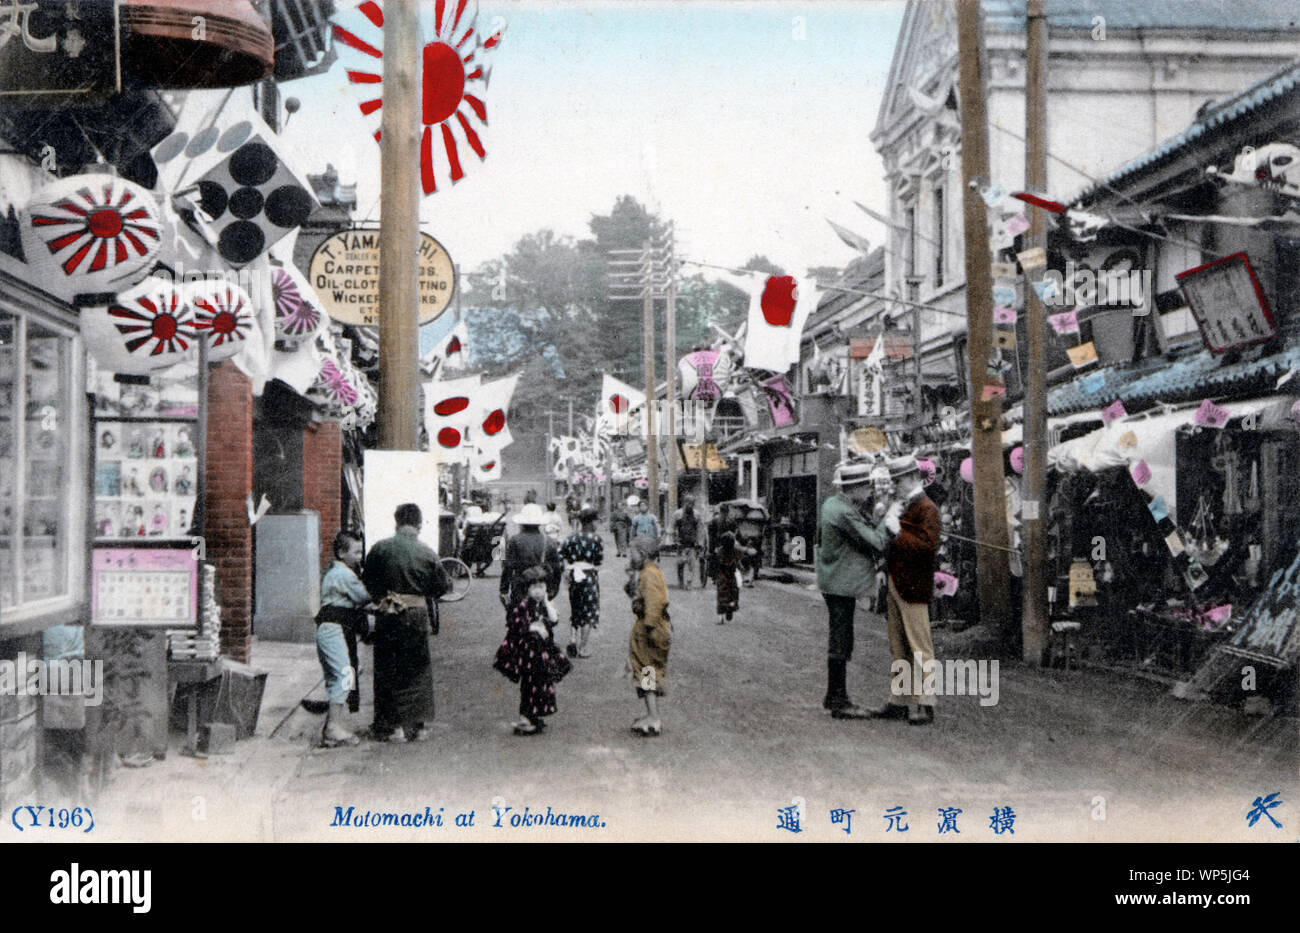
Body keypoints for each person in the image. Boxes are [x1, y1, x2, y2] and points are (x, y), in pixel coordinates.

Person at [362, 504, 450, 743]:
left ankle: (393, 727)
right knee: (418, 669)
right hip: (417, 614)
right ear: (419, 525)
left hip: (389, 612)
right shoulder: (428, 552)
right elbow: (441, 587)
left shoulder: (380, 548)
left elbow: (368, 580)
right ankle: (419, 726)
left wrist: (384, 597)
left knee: (388, 667)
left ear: (397, 522)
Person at [816, 460, 893, 719]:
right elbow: (877, 541)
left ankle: (834, 696)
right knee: (841, 639)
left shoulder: (833, 504)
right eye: (866, 486)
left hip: (833, 580)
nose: (871, 491)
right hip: (841, 583)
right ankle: (838, 699)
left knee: (841, 636)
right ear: (854, 488)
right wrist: (887, 519)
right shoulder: (845, 512)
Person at [874, 455, 942, 726]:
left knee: (919, 646)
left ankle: (926, 702)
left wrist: (896, 530)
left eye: (898, 481)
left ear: (912, 478)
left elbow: (927, 548)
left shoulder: (927, 508)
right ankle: (900, 701)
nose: (894, 486)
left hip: (913, 583)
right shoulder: (903, 506)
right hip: (897, 581)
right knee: (898, 645)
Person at [494, 566, 572, 735]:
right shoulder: (523, 606)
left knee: (542, 682)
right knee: (530, 683)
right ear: (527, 589)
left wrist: (546, 602)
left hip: (542, 651)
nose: (538, 592)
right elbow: (517, 625)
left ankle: (535, 714)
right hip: (528, 653)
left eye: (541, 588)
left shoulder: (544, 604)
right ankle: (526, 716)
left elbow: (554, 619)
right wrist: (534, 628)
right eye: (534, 588)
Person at [315, 532, 370, 747]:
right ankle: (332, 728)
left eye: (360, 551)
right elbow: (363, 596)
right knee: (345, 674)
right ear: (341, 553)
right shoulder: (345, 575)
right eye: (355, 552)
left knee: (334, 677)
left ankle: (332, 725)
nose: (359, 556)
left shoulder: (333, 573)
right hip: (334, 629)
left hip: (327, 629)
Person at [626, 537, 670, 736]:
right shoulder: (647, 572)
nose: (629, 556)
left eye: (632, 552)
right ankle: (650, 713)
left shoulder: (649, 574)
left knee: (647, 671)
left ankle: (653, 717)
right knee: (646, 670)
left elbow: (654, 603)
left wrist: (649, 627)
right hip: (649, 626)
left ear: (642, 554)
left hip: (650, 628)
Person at [500, 502, 564, 612]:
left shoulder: (515, 541)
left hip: (520, 588)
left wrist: (504, 590)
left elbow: (508, 568)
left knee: (516, 622)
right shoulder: (549, 541)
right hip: (541, 590)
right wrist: (552, 591)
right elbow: (557, 569)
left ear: (522, 523)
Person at [560, 506, 603, 658]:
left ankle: (572, 638)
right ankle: (582, 648)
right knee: (589, 612)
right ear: (591, 522)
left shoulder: (571, 538)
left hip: (574, 576)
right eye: (596, 521)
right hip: (589, 576)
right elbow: (599, 560)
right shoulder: (596, 539)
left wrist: (568, 567)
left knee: (575, 608)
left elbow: (561, 554)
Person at [712, 531, 755, 625]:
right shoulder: (731, 551)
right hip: (728, 575)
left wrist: (714, 577)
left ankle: (722, 614)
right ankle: (729, 609)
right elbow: (738, 561)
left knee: (723, 596)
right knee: (732, 594)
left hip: (724, 576)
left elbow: (716, 565)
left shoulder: (721, 551)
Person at [672, 496, 701, 588]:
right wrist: (674, 538)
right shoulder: (678, 514)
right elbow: (673, 527)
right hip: (681, 542)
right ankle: (681, 581)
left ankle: (689, 582)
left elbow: (700, 528)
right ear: (684, 503)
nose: (690, 505)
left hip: (692, 542)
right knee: (680, 563)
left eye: (692, 503)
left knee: (692, 564)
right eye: (688, 503)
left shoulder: (696, 514)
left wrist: (699, 541)